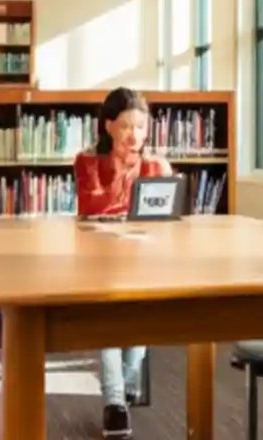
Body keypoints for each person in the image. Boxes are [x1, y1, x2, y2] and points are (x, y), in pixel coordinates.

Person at [74, 87, 172, 439]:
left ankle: (127, 384)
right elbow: (93, 205)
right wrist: (123, 173)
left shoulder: (156, 164)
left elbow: (166, 212)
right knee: (110, 323)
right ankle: (115, 403)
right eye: (127, 127)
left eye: (142, 128)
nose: (136, 136)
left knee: (140, 318)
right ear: (108, 126)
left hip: (145, 256)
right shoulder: (87, 161)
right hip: (100, 258)